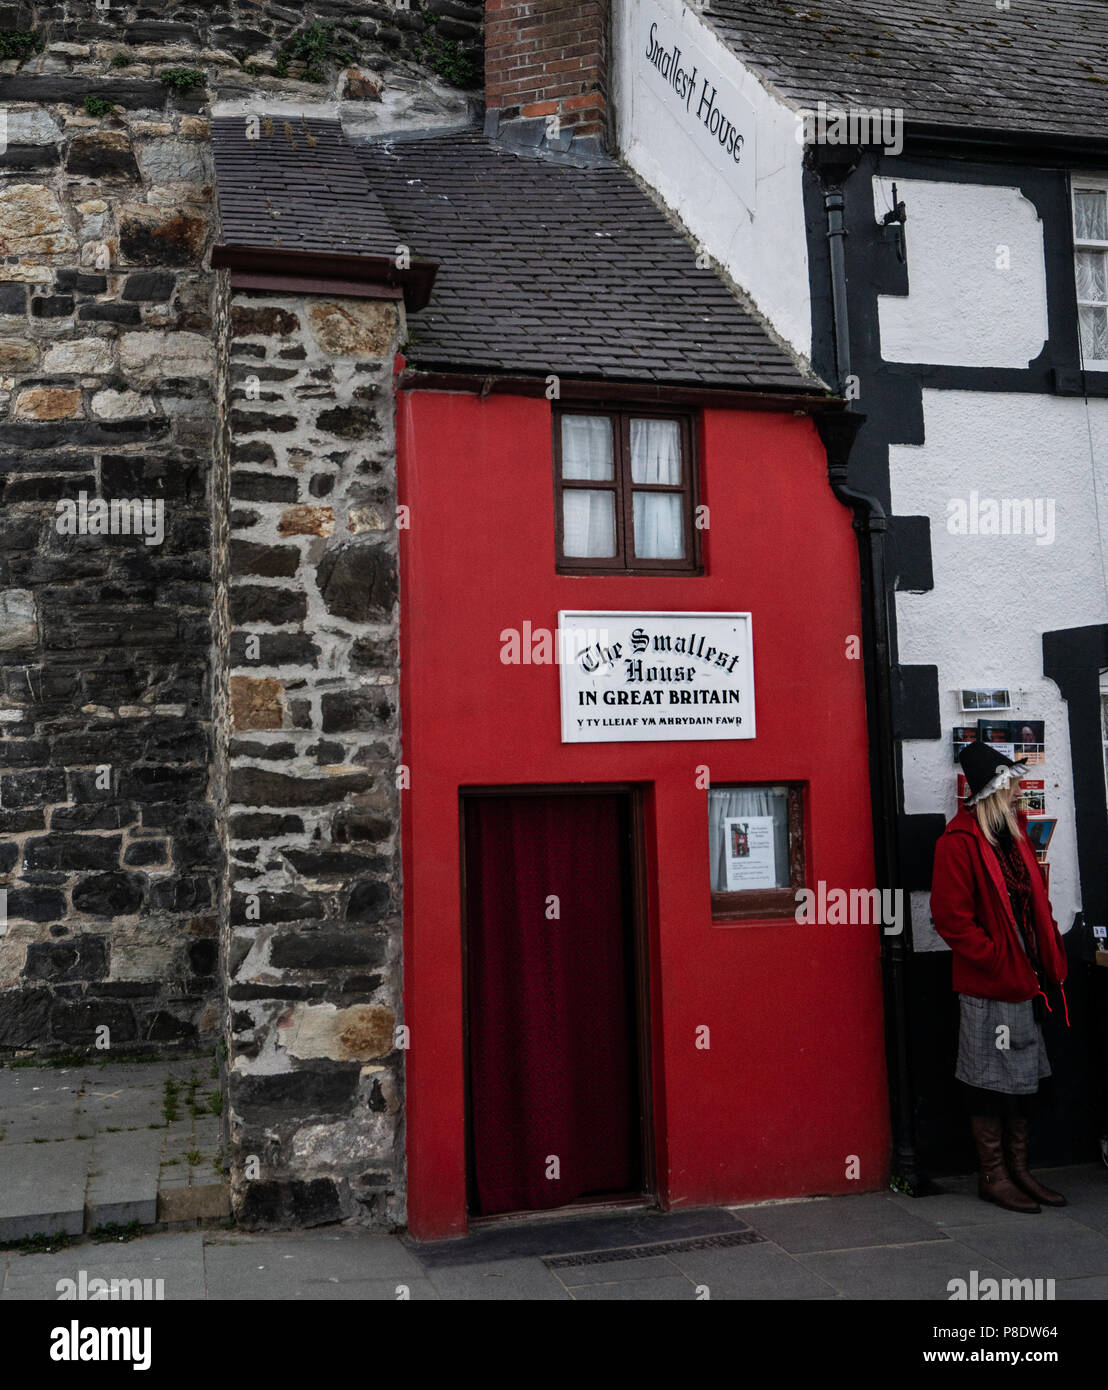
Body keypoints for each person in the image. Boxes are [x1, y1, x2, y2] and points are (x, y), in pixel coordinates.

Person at [930, 741, 1070, 1213]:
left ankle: (1020, 1170)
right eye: (1011, 787)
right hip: (989, 983)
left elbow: (1036, 901)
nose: (1017, 795)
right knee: (988, 1082)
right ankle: (993, 1176)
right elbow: (952, 920)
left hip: (1025, 979)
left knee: (1023, 1078)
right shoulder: (958, 842)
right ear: (992, 792)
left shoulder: (1015, 837)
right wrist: (995, 960)